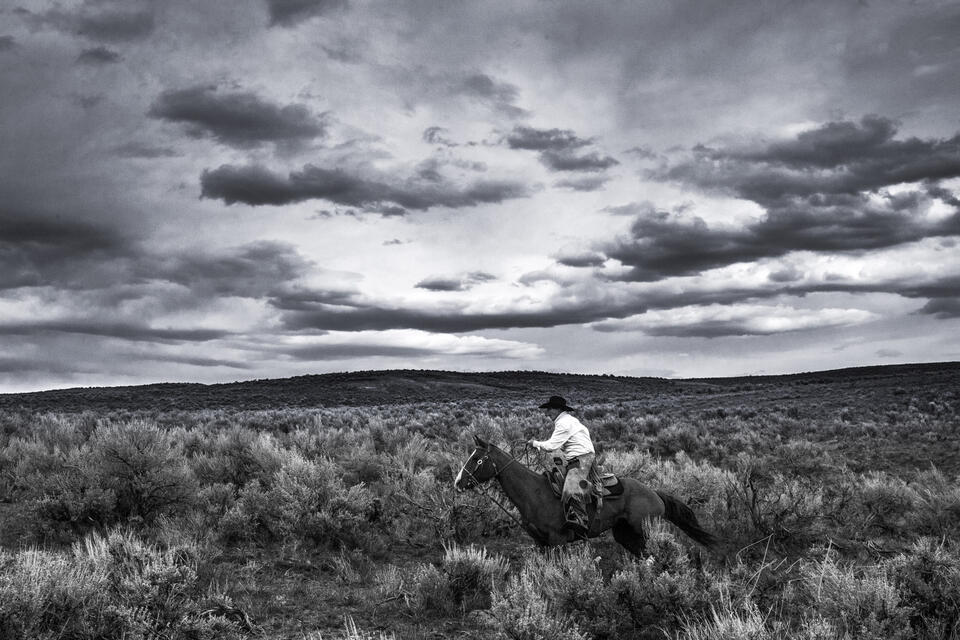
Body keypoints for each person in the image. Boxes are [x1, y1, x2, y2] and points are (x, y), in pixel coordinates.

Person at [528, 395, 596, 538]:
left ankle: (581, 520)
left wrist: (535, 443)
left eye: (550, 409)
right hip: (579, 456)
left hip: (582, 458)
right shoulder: (570, 420)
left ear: (558, 409)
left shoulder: (564, 423)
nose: (547, 413)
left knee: (571, 487)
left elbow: (552, 446)